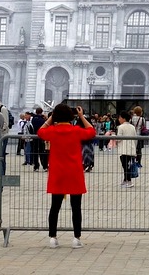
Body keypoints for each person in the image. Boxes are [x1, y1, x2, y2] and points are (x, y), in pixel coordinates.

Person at [37, 104, 96, 248]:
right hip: (74, 172)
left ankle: (53, 237)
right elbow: (91, 131)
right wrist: (81, 116)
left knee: (55, 207)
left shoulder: (52, 131)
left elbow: (40, 131)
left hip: (57, 172)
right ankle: (76, 238)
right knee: (76, 207)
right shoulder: (76, 130)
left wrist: (51, 118)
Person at [116, 111, 137, 187]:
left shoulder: (121, 127)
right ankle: (125, 180)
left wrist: (114, 137)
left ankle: (128, 181)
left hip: (123, 149)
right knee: (127, 166)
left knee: (125, 166)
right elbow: (135, 139)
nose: (119, 119)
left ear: (123, 118)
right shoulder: (132, 127)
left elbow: (119, 138)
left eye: (120, 117)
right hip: (131, 149)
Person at [30, 107, 48, 171]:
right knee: (42, 152)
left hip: (35, 136)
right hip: (41, 137)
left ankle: (36, 166)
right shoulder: (42, 119)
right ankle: (44, 166)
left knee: (35, 152)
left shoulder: (33, 119)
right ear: (41, 112)